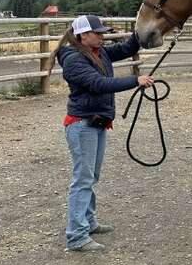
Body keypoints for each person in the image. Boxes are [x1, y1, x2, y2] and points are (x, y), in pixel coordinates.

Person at [52, 14, 154, 252]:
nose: (102, 36)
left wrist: (143, 28)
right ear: (82, 36)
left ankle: (87, 222)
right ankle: (76, 236)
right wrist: (135, 80)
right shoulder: (74, 60)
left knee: (91, 177)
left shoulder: (100, 52)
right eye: (97, 33)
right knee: (83, 179)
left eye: (102, 33)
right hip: (82, 125)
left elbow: (127, 47)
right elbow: (98, 84)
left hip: (96, 123)